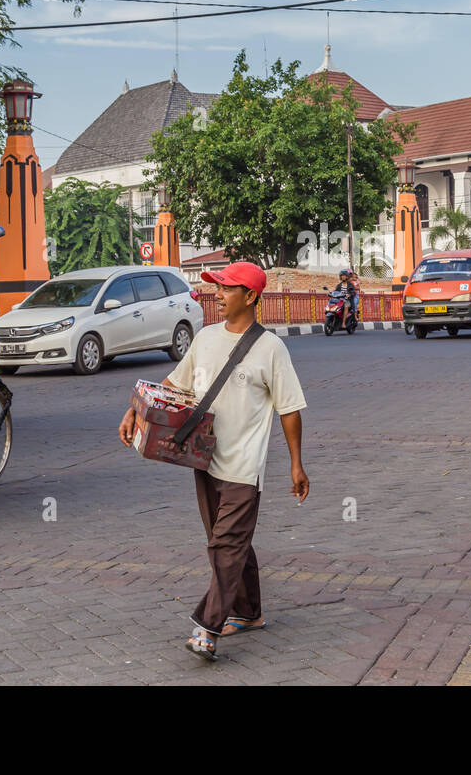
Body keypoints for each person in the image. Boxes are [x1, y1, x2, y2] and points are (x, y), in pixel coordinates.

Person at [118, 260, 309, 662]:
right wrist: (135, 409)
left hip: (244, 464)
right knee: (230, 542)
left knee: (226, 544)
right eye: (216, 288)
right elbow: (173, 383)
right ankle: (250, 611)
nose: (216, 295)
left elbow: (289, 409)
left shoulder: (271, 348)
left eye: (225, 289)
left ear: (251, 296)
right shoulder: (204, 339)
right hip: (203, 459)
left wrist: (296, 464)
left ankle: (207, 627)